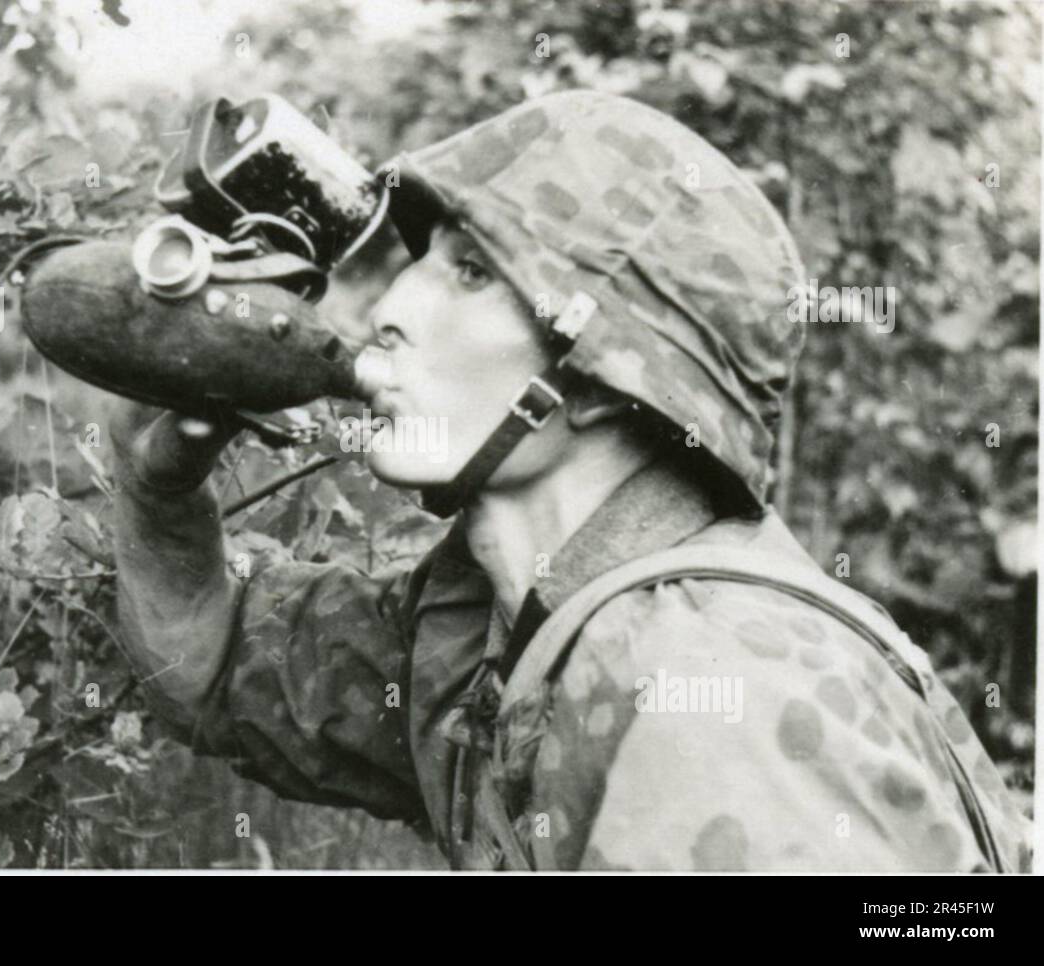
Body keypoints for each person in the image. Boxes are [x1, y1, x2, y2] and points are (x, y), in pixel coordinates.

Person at [108, 90, 1030, 871]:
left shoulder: (710, 698)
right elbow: (213, 668)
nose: (389, 308)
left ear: (597, 381)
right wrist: (159, 492)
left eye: (474, 273)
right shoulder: (503, 619)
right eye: (425, 261)